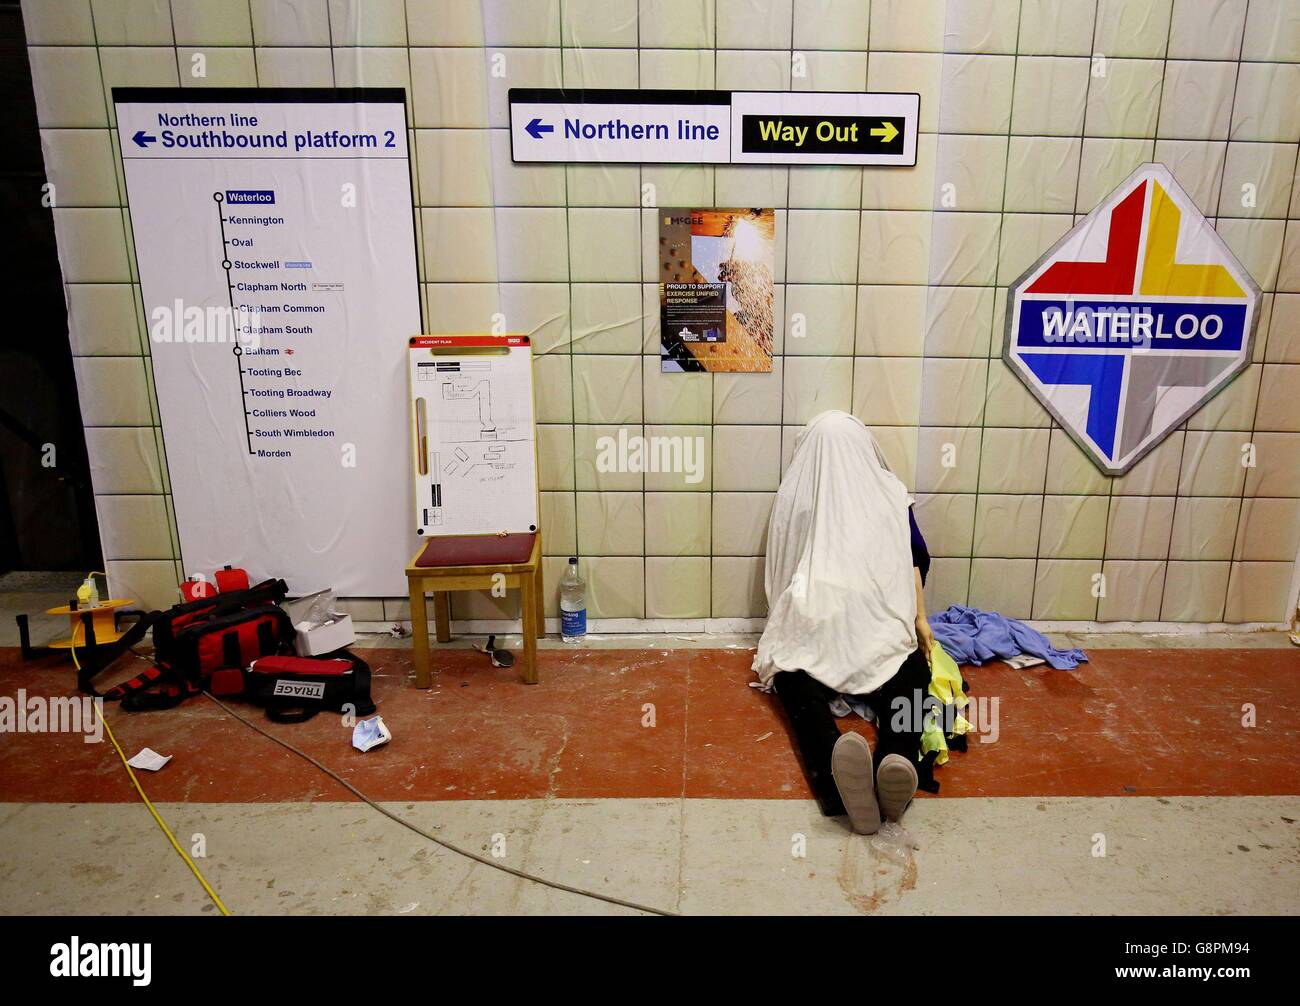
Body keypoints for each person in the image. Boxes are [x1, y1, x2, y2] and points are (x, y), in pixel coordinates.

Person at [752, 410, 934, 835]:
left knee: (794, 682)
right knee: (910, 677)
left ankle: (833, 770)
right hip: (879, 626)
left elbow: (781, 573)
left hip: (815, 625)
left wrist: (785, 624)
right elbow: (914, 560)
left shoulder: (796, 495)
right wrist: (920, 622)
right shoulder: (890, 494)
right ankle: (899, 753)